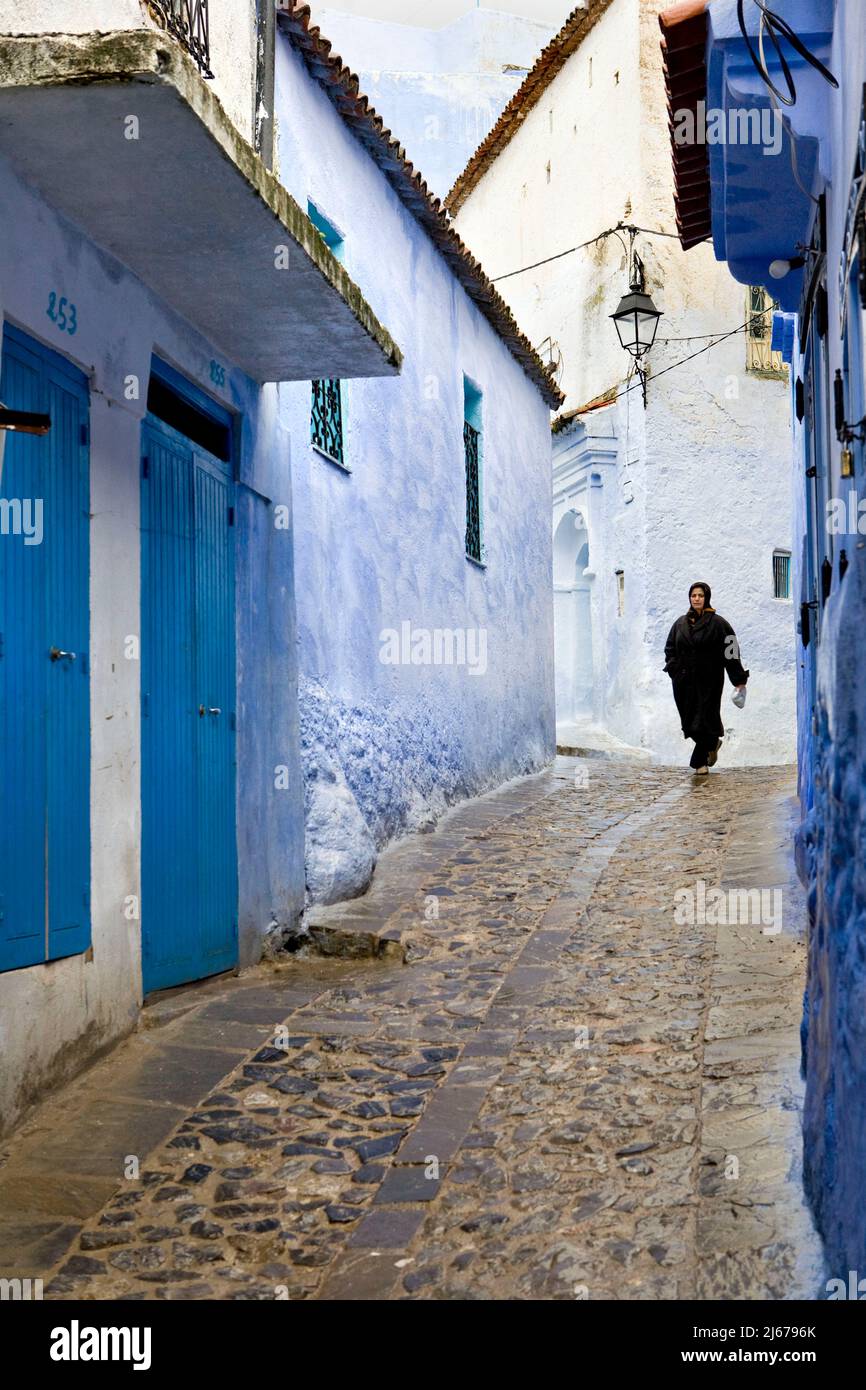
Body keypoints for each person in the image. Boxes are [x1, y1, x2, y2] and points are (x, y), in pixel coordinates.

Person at [663, 582, 749, 775]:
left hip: (709, 681)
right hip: (683, 682)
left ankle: (698, 762)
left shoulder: (719, 624)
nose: (697, 599)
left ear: (706, 597)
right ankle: (712, 743)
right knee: (689, 723)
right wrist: (673, 668)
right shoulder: (679, 623)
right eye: (693, 595)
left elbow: (731, 651)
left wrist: (738, 678)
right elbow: (670, 649)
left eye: (700, 595)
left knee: (705, 719)